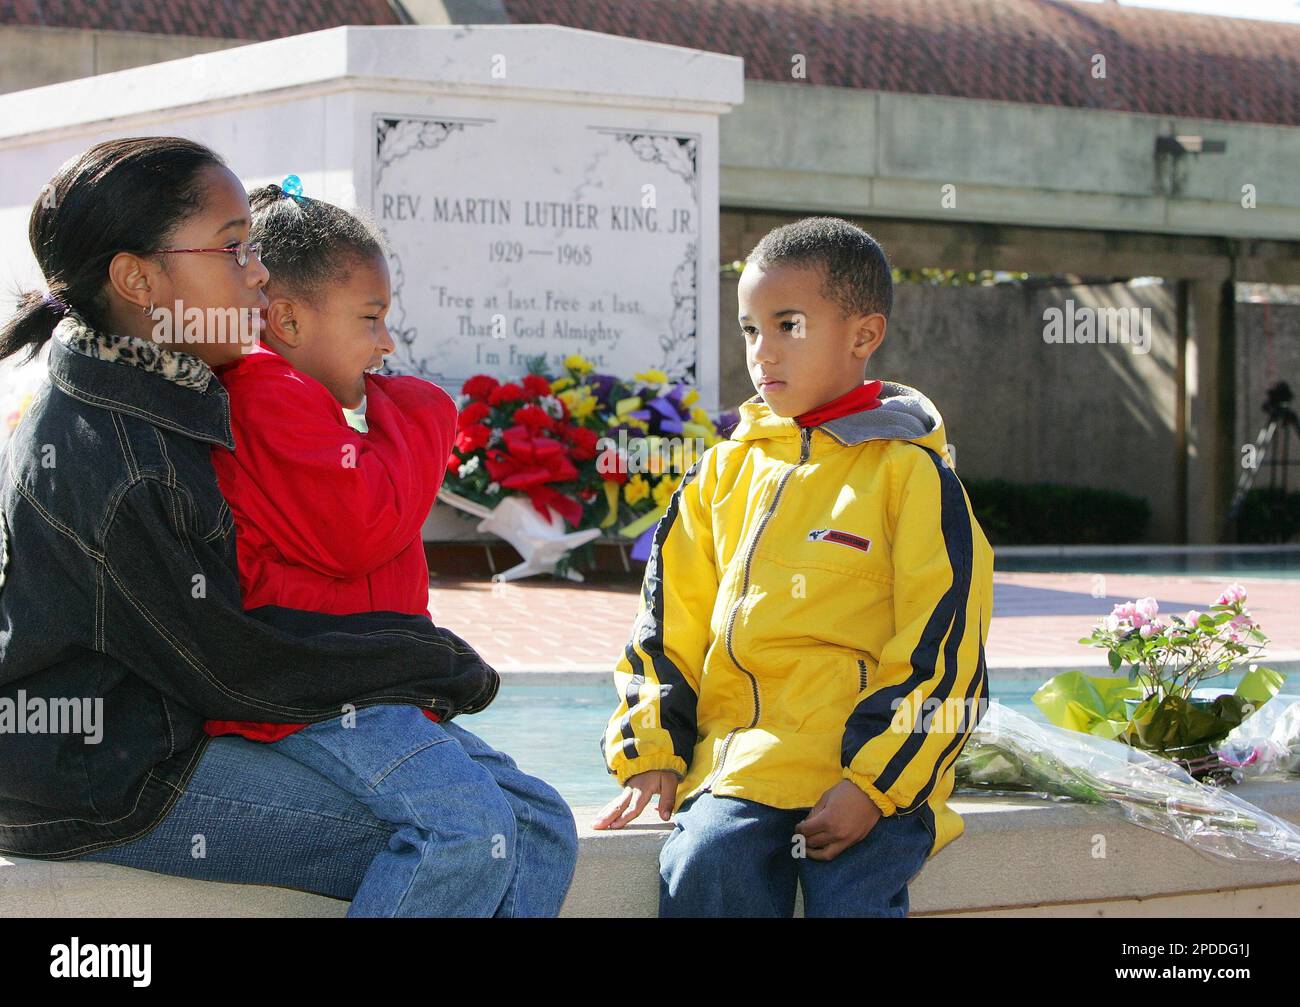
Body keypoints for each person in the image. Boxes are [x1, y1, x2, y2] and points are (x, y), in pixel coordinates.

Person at [0, 136, 525, 916]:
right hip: (103, 776)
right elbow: (230, 663)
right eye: (234, 248)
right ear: (138, 278)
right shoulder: (117, 447)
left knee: (530, 817)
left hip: (152, 733)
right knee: (466, 831)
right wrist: (427, 661)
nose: (257, 272)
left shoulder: (147, 385)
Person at [593, 216, 995, 918]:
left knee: (850, 899)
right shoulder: (720, 474)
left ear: (863, 336)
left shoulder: (914, 477)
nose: (762, 351)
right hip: (742, 773)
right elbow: (664, 629)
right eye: (750, 329)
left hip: (866, 774)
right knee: (701, 863)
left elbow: (946, 653)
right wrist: (652, 747)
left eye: (788, 326)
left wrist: (874, 785)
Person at [200, 180, 577, 916]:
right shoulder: (263, 394)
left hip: (373, 686)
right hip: (315, 687)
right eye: (371, 319)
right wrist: (425, 409)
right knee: (462, 831)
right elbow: (361, 530)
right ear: (285, 319)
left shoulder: (315, 404)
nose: (386, 343)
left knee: (542, 824)